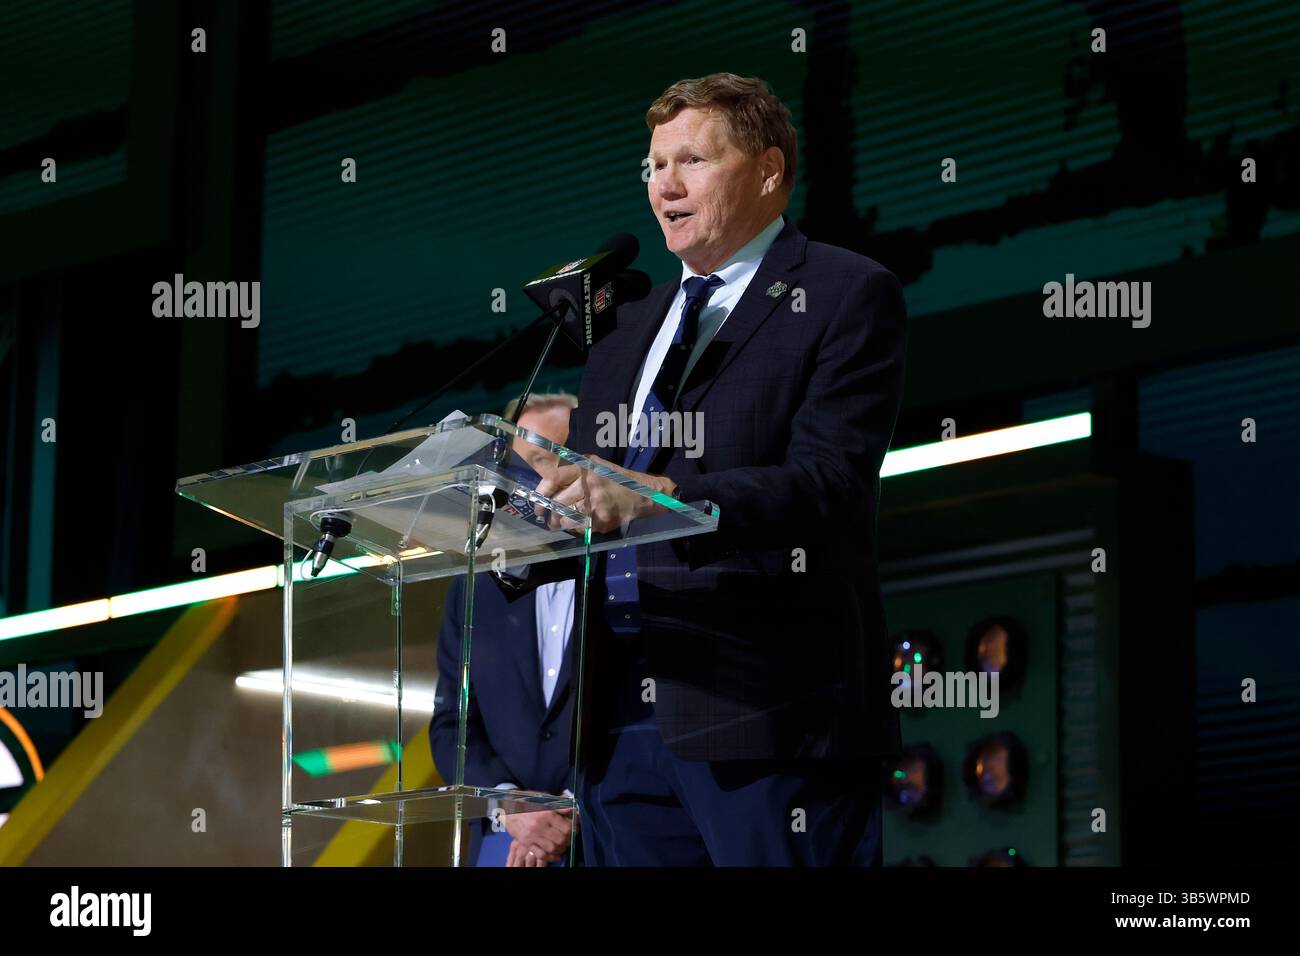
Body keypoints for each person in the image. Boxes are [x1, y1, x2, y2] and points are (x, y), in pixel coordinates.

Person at [533, 73, 908, 866]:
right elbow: (596, 493)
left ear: (768, 171)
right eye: (653, 166)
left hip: (768, 709)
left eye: (691, 161)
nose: (664, 184)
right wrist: (539, 504)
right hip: (616, 714)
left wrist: (663, 498)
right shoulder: (624, 331)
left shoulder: (845, 293)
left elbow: (827, 484)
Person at [429, 393, 581, 867]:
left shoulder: (621, 571)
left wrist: (572, 813)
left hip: (611, 827)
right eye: (514, 466)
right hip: (506, 841)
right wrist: (514, 805)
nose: (523, 483)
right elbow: (451, 724)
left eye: (539, 461)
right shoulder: (474, 587)